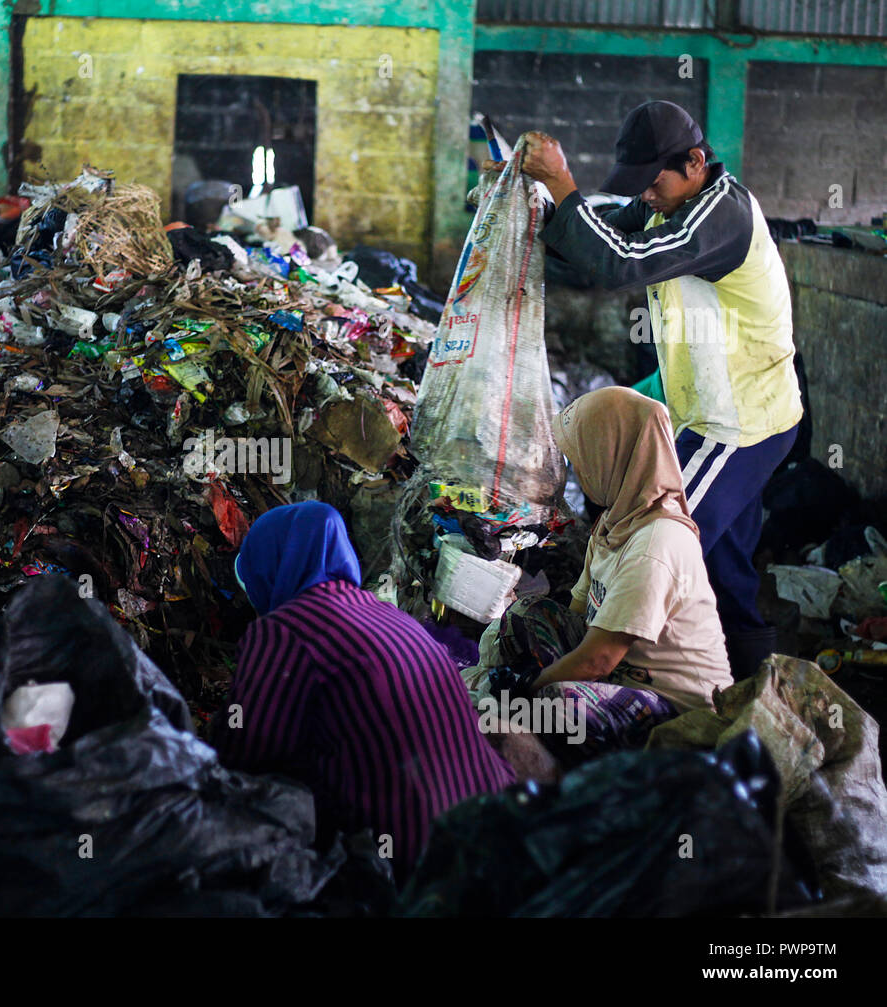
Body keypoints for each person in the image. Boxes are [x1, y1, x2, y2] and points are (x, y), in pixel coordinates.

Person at [515, 100, 803, 681]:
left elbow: (620, 263)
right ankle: (754, 704)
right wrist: (529, 215)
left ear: (696, 162)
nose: (645, 196)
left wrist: (562, 180)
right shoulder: (664, 202)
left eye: (653, 182)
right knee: (724, 570)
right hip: (715, 411)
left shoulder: (721, 214)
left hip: (737, 424)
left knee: (650, 543)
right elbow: (594, 252)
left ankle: (624, 674)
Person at [209, 500, 514, 884]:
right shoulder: (392, 617)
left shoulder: (286, 628)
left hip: (411, 863)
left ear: (268, 567)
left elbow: (242, 753)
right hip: (499, 830)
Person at [487, 387, 733, 766]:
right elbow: (575, 613)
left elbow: (597, 660)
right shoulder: (614, 524)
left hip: (677, 710)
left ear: (612, 456)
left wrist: (528, 689)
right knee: (527, 614)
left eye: (582, 458)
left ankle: (573, 780)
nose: (576, 469)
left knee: (556, 707)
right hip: (619, 677)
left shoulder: (657, 543)